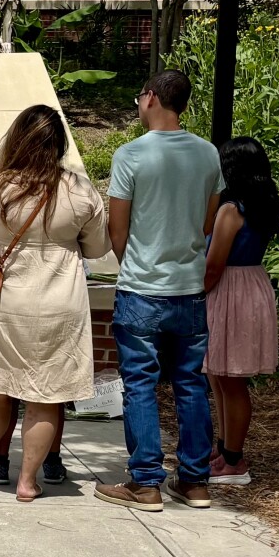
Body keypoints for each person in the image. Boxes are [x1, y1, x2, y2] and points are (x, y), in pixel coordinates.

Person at [0, 105, 110, 502]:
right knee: (45, 396)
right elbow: (97, 246)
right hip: (61, 302)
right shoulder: (80, 190)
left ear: (17, 139)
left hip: (4, 303)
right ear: (59, 146)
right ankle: (28, 481)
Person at [96, 69, 222, 512]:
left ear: (150, 97)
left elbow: (117, 228)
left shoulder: (130, 154)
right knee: (190, 384)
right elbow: (208, 222)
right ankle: (195, 481)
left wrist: (133, 260)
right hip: (188, 287)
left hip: (142, 287)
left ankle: (146, 482)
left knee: (141, 386)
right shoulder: (207, 154)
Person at [203, 136, 279, 486]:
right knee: (221, 375)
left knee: (229, 378)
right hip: (252, 286)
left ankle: (233, 460)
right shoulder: (263, 206)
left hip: (230, 289)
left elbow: (214, 264)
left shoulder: (231, 210)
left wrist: (195, 292)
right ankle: (224, 450)